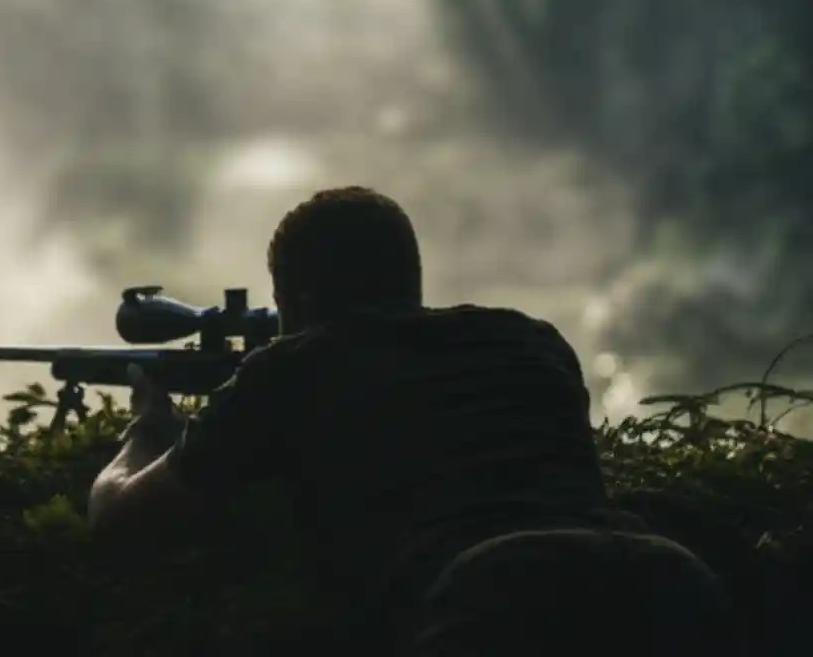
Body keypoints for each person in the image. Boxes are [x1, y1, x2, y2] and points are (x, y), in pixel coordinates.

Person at [87, 186, 746, 655]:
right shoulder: (530, 339)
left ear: (298, 300)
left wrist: (147, 430)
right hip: (662, 578)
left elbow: (121, 520)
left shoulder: (294, 365)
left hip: (492, 598)